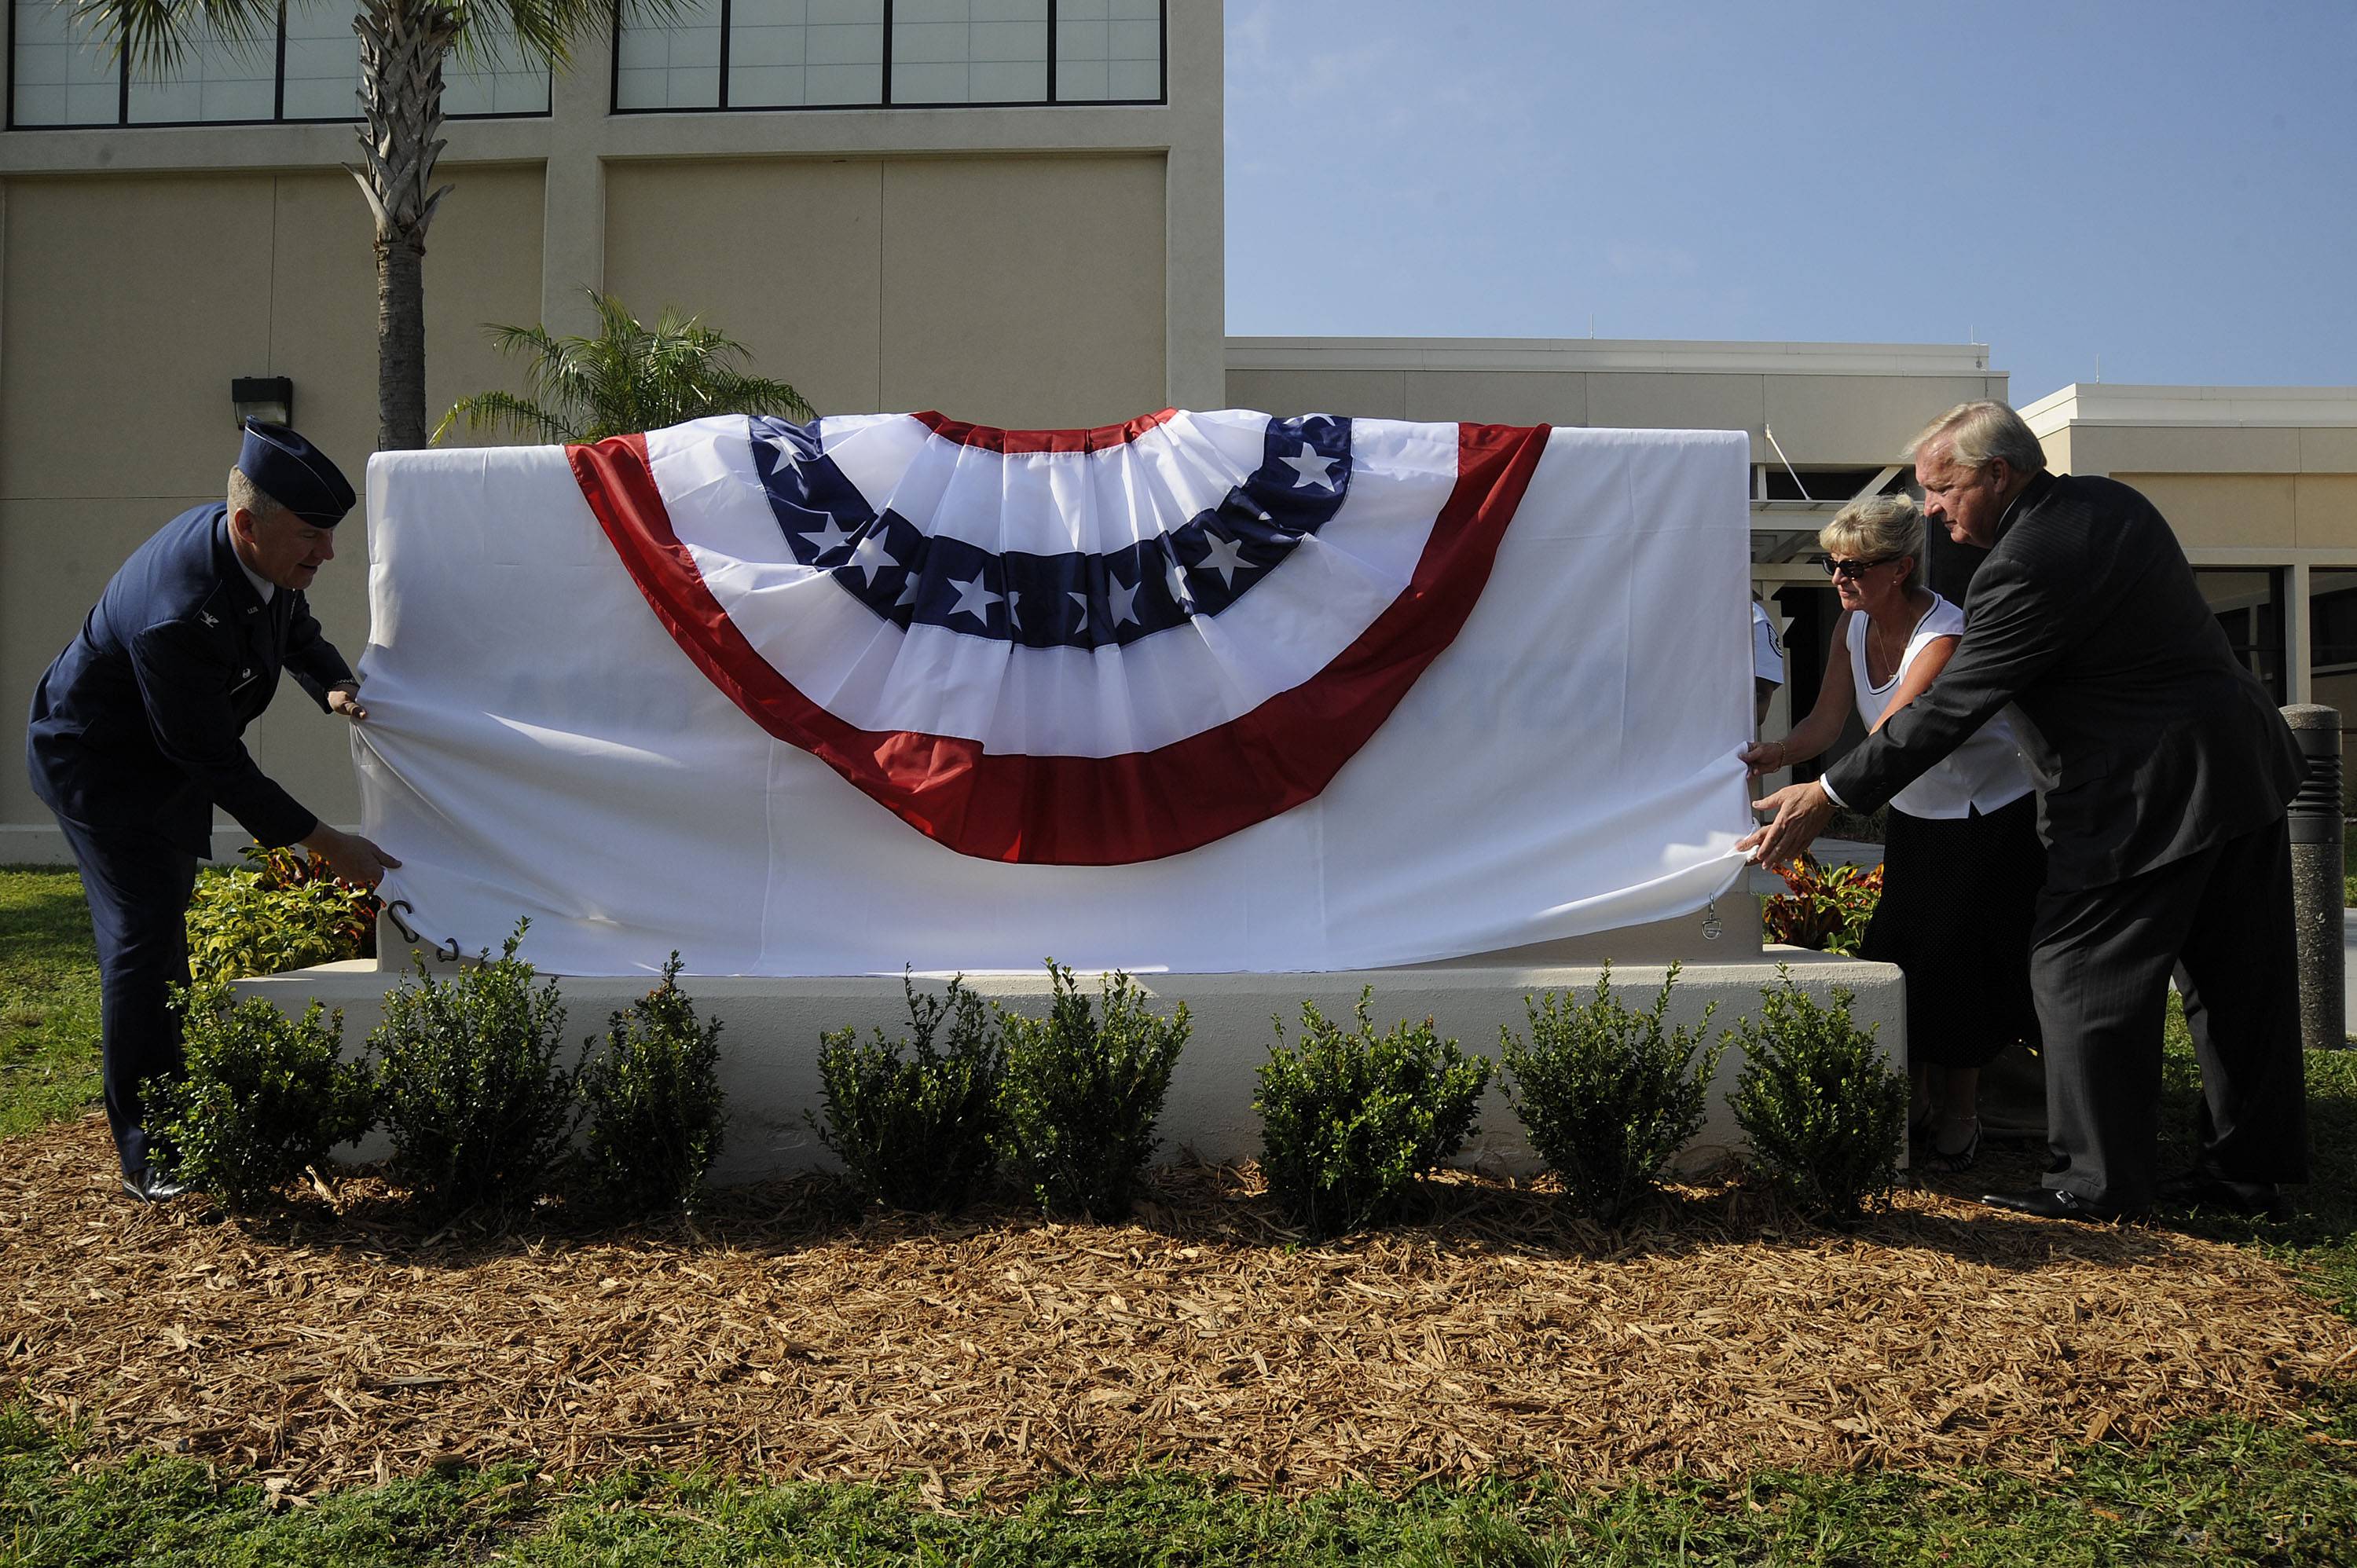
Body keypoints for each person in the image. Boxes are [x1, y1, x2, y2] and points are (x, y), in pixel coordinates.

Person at [1742, 401, 2308, 1222]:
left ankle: (2098, 1183)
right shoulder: (2113, 506)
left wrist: (1828, 794)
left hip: (2143, 794)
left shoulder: (2024, 565)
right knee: (2236, 982)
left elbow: (1952, 705)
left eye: (1942, 489)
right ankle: (2247, 1179)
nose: (1929, 509)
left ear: (1997, 475)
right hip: (2238, 770)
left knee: (2076, 972)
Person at [25, 421, 399, 1203]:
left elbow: (289, 622)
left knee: (160, 931)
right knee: (141, 933)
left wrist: (329, 680)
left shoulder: (255, 557)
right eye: (311, 536)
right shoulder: (178, 610)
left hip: (158, 761)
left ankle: (177, 1104)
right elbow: (216, 764)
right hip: (101, 767)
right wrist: (328, 844)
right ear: (247, 523)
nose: (327, 554)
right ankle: (153, 1154)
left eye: (330, 534)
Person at [1741, 494, 2043, 1172]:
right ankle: (1911, 1104)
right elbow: (1826, 726)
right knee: (1899, 956)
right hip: (1917, 815)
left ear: (1902, 567)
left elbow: (1892, 739)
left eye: (1853, 566)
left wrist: (1816, 795)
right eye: (1831, 563)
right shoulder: (1853, 626)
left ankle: (1962, 1114)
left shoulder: (1946, 635)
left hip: (1984, 820)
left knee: (1961, 968)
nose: (1837, 579)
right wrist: (1774, 754)